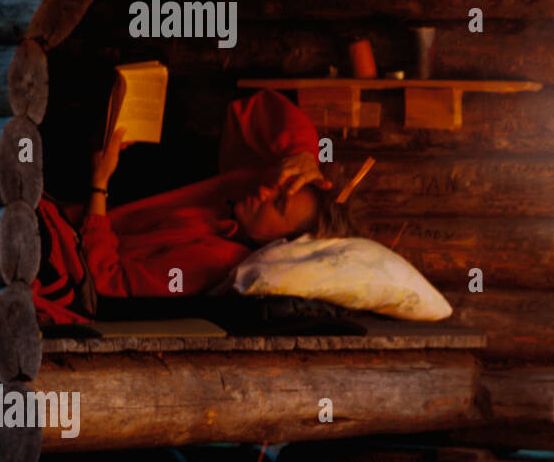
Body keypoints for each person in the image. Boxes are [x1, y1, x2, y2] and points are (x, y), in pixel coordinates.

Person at [34, 89, 352, 323]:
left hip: (63, 255)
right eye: (280, 186)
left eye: (279, 203)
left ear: (279, 244)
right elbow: (257, 107)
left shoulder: (216, 259)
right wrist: (303, 153)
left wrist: (99, 182)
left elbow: (108, 283)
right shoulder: (245, 201)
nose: (267, 191)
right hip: (65, 219)